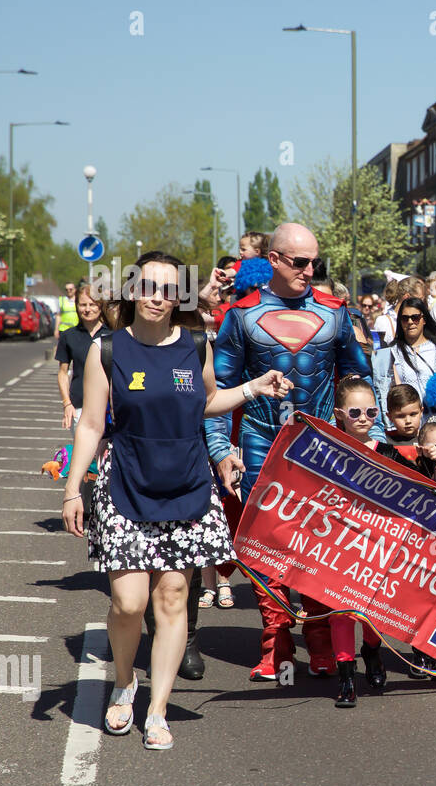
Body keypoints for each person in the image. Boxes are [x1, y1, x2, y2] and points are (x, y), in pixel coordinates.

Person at [62, 251, 293, 750]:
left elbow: (208, 402)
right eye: (147, 286)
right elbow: (92, 424)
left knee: (172, 599)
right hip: (126, 485)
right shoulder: (107, 351)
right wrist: (71, 488)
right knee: (128, 602)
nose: (156, 297)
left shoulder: (195, 344)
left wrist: (253, 387)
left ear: (179, 297)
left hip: (187, 485)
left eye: (167, 289)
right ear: (132, 289)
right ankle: (124, 682)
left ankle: (158, 710)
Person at [206, 222, 372, 682]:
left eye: (314, 262)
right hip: (259, 441)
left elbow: (360, 380)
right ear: (274, 260)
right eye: (300, 262)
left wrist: (361, 433)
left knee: (317, 548)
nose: (309, 270)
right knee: (267, 548)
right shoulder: (240, 315)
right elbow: (219, 389)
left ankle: (320, 645)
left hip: (319, 445)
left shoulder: (337, 312)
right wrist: (221, 449)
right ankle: (276, 647)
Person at [329, 376, 388, 702]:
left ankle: (372, 650)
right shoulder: (326, 449)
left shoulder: (389, 452)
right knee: (341, 610)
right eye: (355, 412)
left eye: (371, 412)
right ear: (340, 414)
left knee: (374, 609)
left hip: (379, 543)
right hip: (338, 542)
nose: (364, 418)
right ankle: (346, 676)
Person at [55, 280, 110, 430]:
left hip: (108, 409)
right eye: (83, 305)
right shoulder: (68, 336)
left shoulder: (113, 335)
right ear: (77, 307)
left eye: (92, 305)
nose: (87, 309)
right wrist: (67, 404)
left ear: (100, 306)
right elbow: (62, 373)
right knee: (84, 453)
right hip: (79, 407)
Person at [389, 293, 436, 411]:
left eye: (415, 317)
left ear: (424, 320)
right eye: (405, 318)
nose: (410, 322)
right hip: (408, 420)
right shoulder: (392, 351)